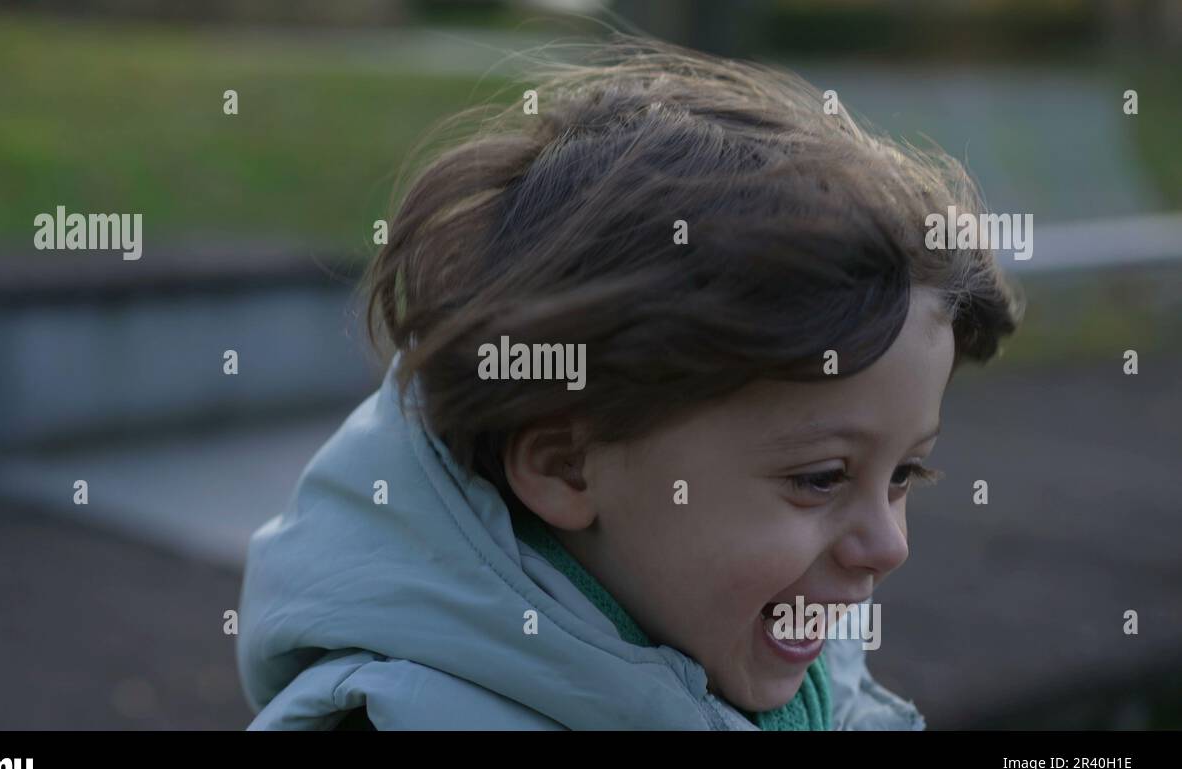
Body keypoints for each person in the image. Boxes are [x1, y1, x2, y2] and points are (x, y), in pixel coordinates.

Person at [236, 35, 1023, 730]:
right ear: (566, 464)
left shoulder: (791, 669)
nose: (888, 545)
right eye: (820, 478)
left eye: (905, 473)